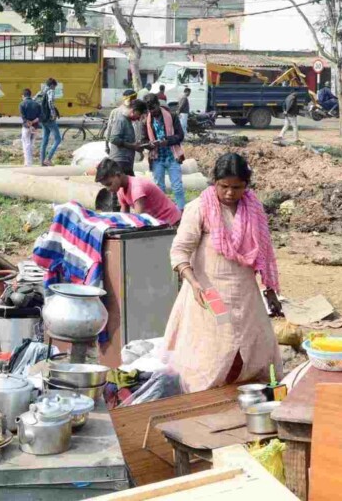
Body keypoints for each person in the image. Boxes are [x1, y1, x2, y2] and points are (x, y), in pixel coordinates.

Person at [165, 153, 283, 392]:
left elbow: (264, 253)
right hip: (209, 293)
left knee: (255, 347)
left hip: (245, 292)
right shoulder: (199, 208)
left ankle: (247, 388)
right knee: (213, 348)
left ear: (246, 185)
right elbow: (179, 251)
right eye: (224, 186)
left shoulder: (254, 209)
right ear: (214, 183)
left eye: (237, 187)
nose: (230, 193)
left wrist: (270, 291)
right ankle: (203, 393)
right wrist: (194, 283)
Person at [95, 158, 181, 225]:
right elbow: (124, 215)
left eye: (109, 184)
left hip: (172, 222)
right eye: (105, 186)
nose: (108, 189)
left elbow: (139, 219)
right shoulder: (120, 190)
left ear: (118, 175)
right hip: (158, 222)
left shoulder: (136, 187)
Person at [142, 93, 186, 210]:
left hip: (172, 157)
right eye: (150, 110)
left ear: (158, 104)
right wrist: (150, 144)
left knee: (177, 187)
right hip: (157, 158)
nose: (153, 112)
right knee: (159, 188)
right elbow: (143, 140)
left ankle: (181, 211)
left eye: (154, 108)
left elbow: (180, 136)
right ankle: (163, 211)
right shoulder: (146, 120)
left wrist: (167, 141)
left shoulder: (171, 116)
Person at [106, 98, 147, 176]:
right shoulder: (121, 120)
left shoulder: (128, 121)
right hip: (119, 161)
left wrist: (138, 146)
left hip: (127, 161)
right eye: (139, 115)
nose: (138, 118)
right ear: (133, 110)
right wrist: (132, 146)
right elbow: (113, 139)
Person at [39, 78, 62, 166]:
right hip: (49, 118)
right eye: (55, 86)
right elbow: (51, 102)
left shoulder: (41, 91)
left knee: (45, 139)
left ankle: (42, 161)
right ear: (52, 85)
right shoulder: (51, 91)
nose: (55, 88)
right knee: (58, 139)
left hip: (42, 118)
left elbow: (35, 100)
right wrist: (53, 114)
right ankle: (48, 159)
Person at [19, 88, 42, 167]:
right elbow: (39, 117)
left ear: (23, 96)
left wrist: (29, 124)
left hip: (26, 127)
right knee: (31, 144)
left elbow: (24, 118)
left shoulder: (22, 104)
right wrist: (33, 123)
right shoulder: (37, 104)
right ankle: (30, 162)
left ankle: (27, 163)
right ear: (30, 95)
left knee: (26, 144)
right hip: (35, 127)